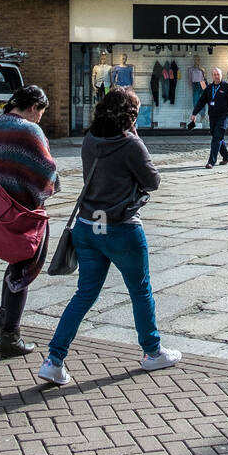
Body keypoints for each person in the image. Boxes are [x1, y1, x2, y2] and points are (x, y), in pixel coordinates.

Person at [38, 86, 181, 386]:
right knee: (140, 290)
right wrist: (136, 136)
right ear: (130, 116)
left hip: (89, 226)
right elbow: (152, 181)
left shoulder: (90, 139)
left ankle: (54, 359)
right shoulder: (130, 145)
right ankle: (152, 352)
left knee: (85, 293)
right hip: (121, 227)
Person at [0, 84, 58, 359]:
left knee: (15, 263)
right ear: (33, 108)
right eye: (41, 112)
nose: (40, 118)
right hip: (21, 212)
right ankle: (10, 335)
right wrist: (44, 193)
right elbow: (46, 173)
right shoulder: (30, 131)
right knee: (24, 266)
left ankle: (3, 319)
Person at [187, 67, 228, 166]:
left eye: (218, 74)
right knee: (218, 137)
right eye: (215, 75)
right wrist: (194, 113)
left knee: (216, 138)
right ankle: (227, 157)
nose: (216, 76)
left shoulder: (227, 87)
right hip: (212, 116)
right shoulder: (209, 88)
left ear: (221, 75)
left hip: (223, 116)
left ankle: (211, 161)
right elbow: (201, 101)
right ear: (212, 76)